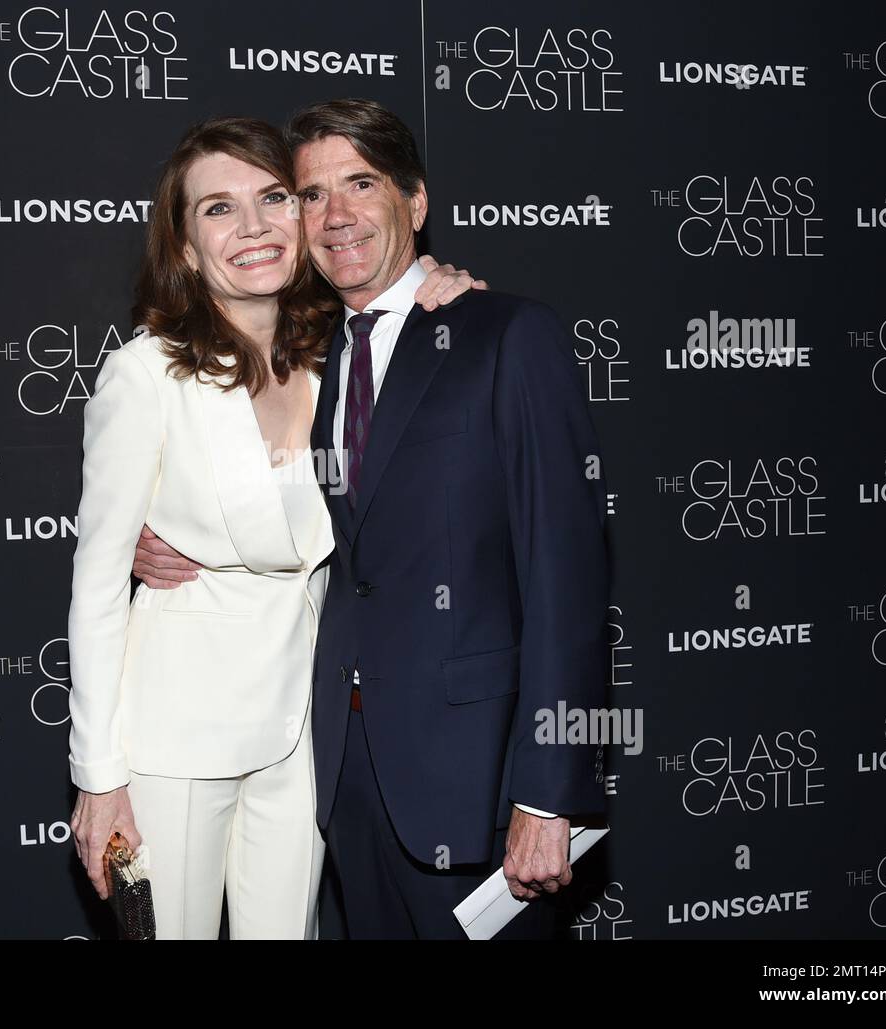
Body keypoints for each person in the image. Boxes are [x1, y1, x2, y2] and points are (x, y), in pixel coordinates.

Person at [134, 99, 611, 939]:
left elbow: (567, 580)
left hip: (480, 786)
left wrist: (550, 791)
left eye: (361, 183)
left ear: (415, 203)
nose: (337, 214)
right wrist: (153, 532)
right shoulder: (306, 357)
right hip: (341, 785)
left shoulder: (506, 337)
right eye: (311, 195)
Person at [65, 114, 484, 939]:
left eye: (273, 198)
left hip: (304, 735)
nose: (252, 226)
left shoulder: (347, 358)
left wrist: (444, 285)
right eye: (218, 209)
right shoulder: (146, 374)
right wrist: (99, 775)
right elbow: (96, 590)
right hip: (174, 742)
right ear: (185, 246)